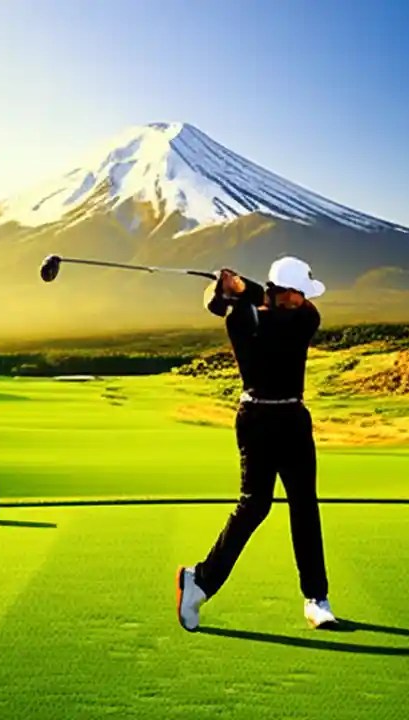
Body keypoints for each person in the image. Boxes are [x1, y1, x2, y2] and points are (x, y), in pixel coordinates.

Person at [177, 255, 337, 631]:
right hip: (256, 421)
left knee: (305, 507)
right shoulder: (244, 320)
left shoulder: (305, 318)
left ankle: (317, 597)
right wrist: (230, 290)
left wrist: (238, 288)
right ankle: (198, 581)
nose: (303, 300)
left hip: (294, 419)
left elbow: (249, 308)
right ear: (282, 293)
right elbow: (222, 307)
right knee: (254, 506)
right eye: (298, 293)